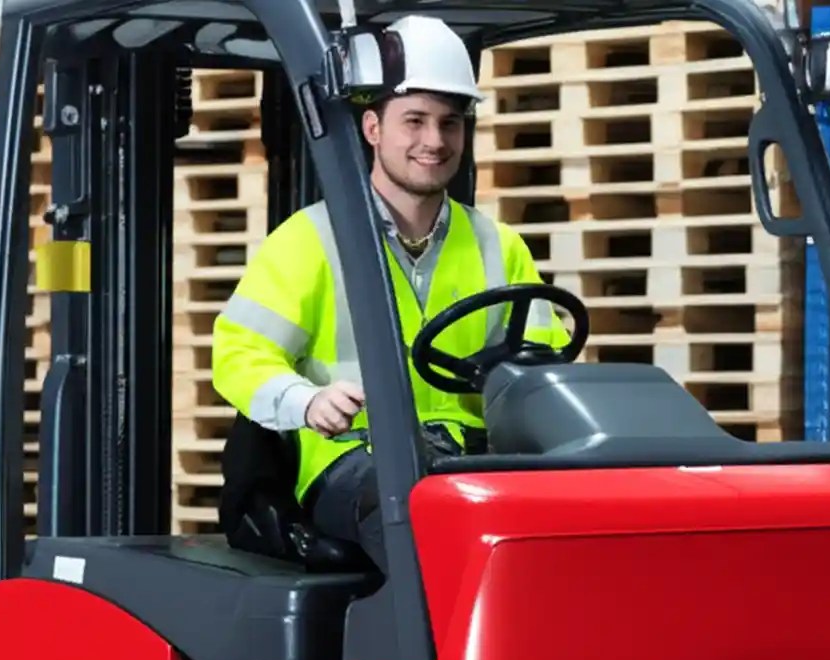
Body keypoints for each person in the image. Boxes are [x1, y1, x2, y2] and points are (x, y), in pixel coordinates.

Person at [211, 15, 570, 573]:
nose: (434, 140)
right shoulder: (312, 239)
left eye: (450, 123)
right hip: (352, 461)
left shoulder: (497, 244)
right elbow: (239, 354)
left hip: (470, 459)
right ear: (373, 128)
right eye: (415, 121)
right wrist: (305, 400)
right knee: (422, 508)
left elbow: (543, 359)